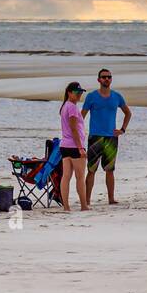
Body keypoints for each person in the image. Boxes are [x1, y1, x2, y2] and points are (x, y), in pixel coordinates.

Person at [81, 68, 132, 205]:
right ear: (99, 80)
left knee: (110, 170)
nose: (106, 79)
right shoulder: (91, 96)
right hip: (95, 137)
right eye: (104, 77)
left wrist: (122, 129)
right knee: (91, 170)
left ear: (111, 79)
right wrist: (80, 134)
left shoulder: (116, 96)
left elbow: (128, 113)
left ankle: (111, 199)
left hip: (111, 138)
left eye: (109, 77)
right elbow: (81, 117)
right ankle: (86, 200)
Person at [57, 82, 88, 211]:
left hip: (65, 146)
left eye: (80, 92)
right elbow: (74, 129)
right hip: (74, 146)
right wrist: (80, 148)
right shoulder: (72, 107)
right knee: (80, 178)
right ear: (69, 93)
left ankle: (66, 207)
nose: (79, 94)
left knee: (66, 177)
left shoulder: (64, 106)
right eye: (77, 92)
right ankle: (83, 206)